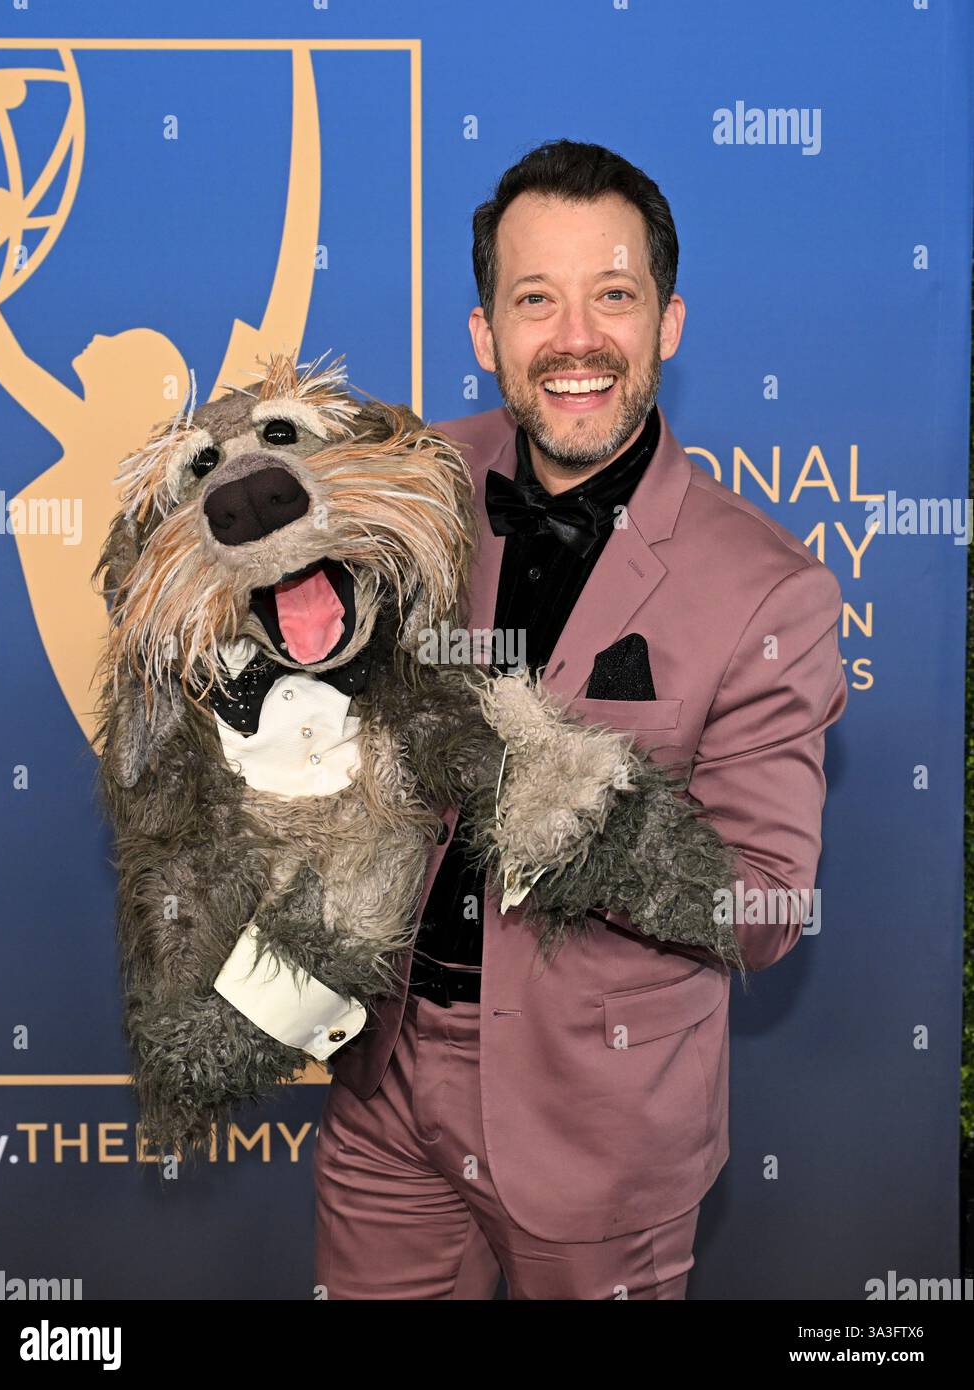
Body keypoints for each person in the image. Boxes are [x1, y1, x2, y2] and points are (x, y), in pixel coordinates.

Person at [312, 138, 847, 1300]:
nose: (574, 339)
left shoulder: (771, 591)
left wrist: (560, 805)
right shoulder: (407, 483)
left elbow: (764, 905)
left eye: (611, 295)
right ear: (483, 334)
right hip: (383, 1084)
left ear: (666, 322)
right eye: (533, 300)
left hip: (598, 1127)